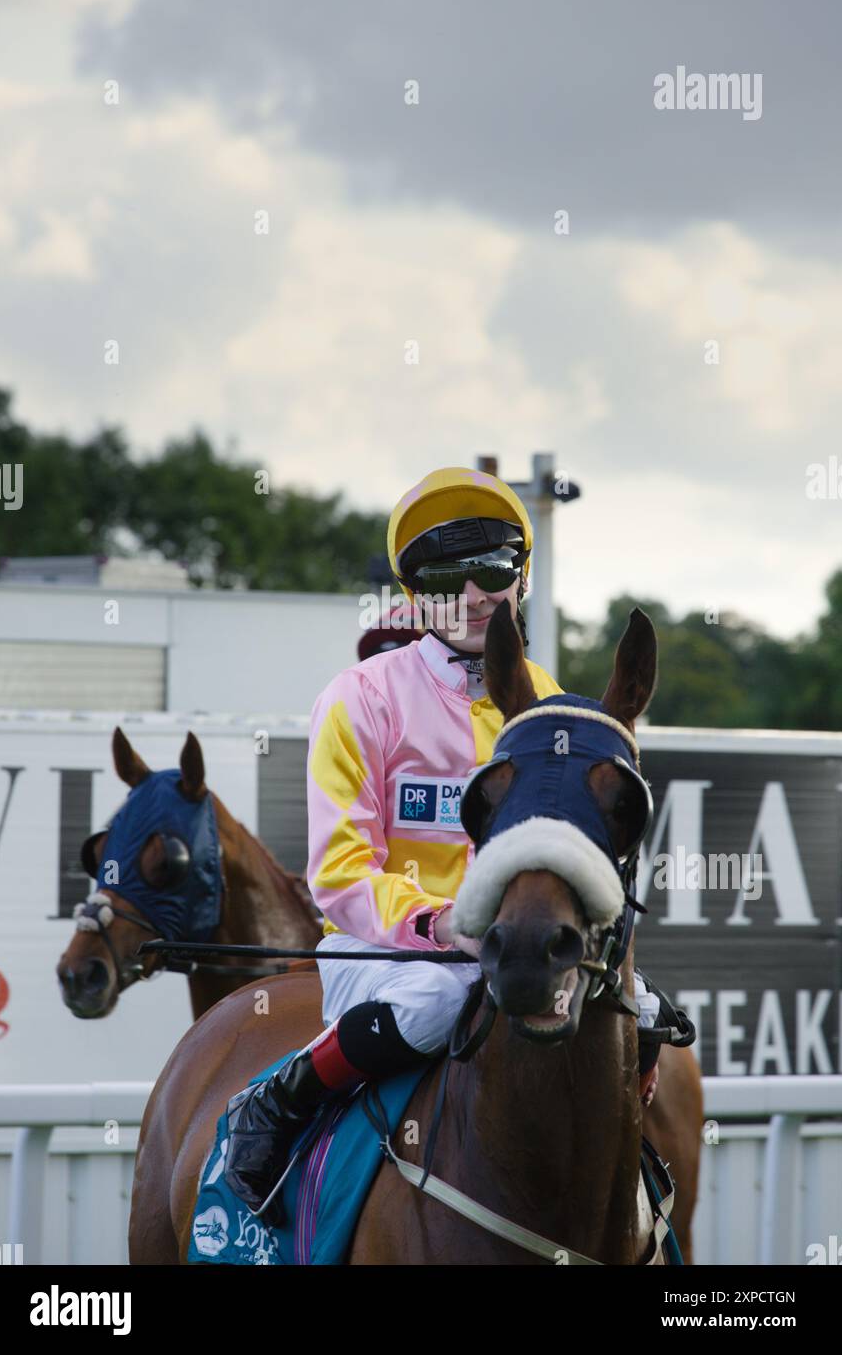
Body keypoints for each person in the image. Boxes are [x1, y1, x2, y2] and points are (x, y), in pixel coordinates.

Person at [224, 466, 660, 1220]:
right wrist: (443, 923)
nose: (473, 595)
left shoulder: (550, 705)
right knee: (437, 999)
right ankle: (282, 1098)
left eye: (492, 568)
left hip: (516, 939)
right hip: (384, 955)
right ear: (411, 596)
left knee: (640, 1011)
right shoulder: (360, 697)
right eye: (442, 580)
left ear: (522, 578)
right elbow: (341, 874)